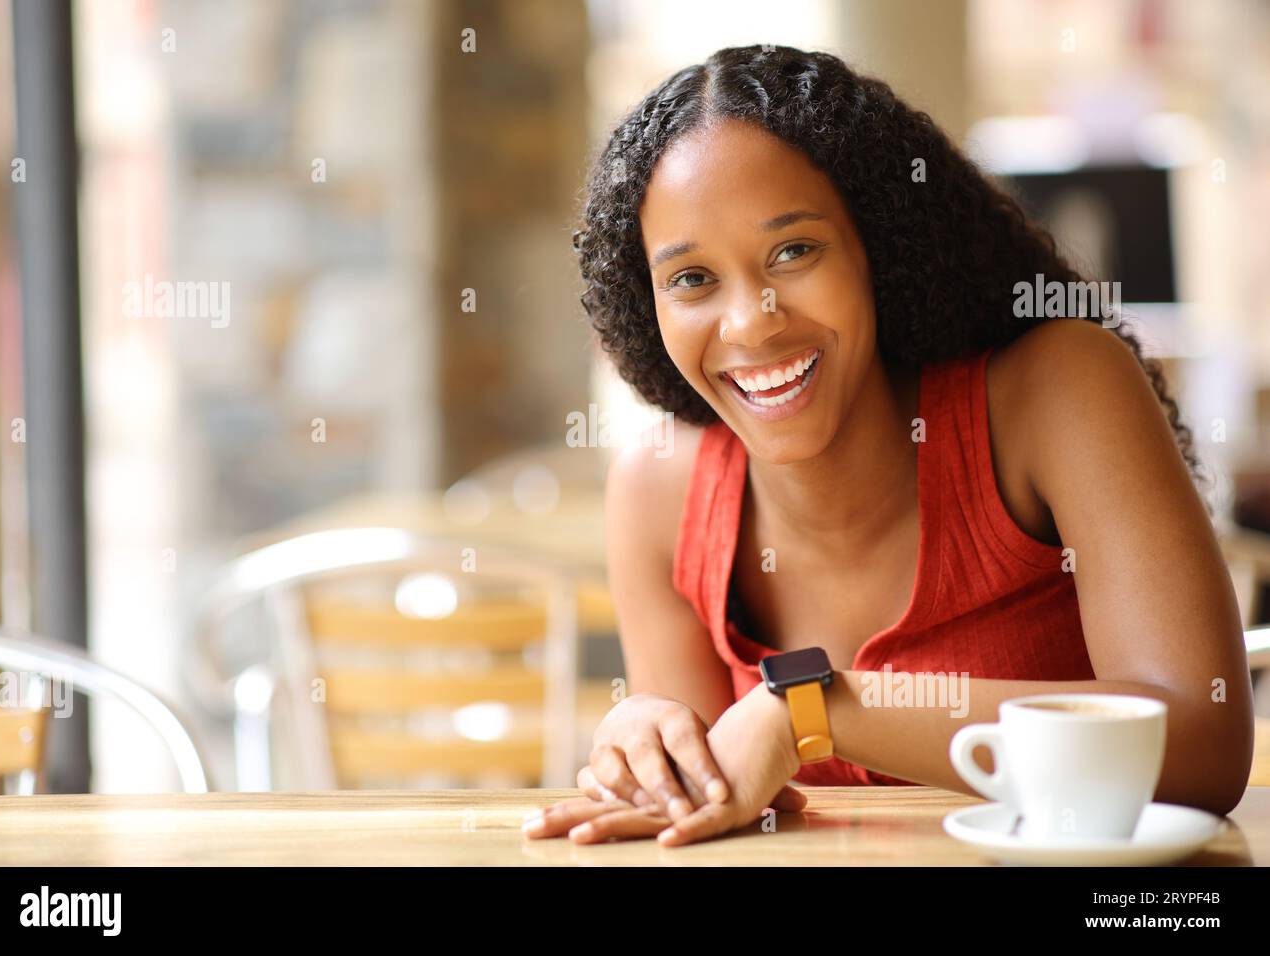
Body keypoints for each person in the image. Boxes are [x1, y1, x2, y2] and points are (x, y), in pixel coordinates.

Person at [523, 44, 1253, 847]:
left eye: (794, 251)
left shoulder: (1058, 393)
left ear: (879, 245)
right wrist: (650, 743)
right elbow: (704, 816)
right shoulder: (658, 491)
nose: (751, 321)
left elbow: (1203, 745)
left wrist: (808, 710)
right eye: (692, 278)